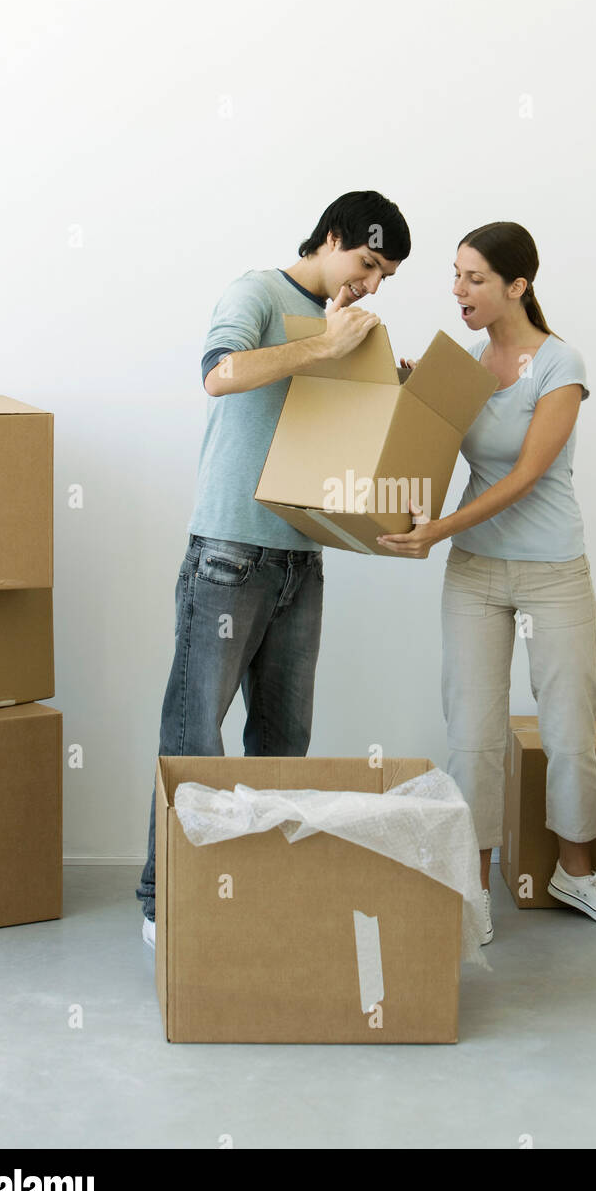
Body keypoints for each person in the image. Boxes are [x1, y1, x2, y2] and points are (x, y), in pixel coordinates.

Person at [136, 190, 411, 945]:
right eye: (367, 263)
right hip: (228, 549)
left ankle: (249, 889)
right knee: (195, 734)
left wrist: (390, 383)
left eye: (385, 274)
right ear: (331, 238)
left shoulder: (347, 327)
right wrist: (324, 346)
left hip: (301, 553)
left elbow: (333, 428)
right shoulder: (256, 291)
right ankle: (166, 901)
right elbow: (219, 373)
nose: (372, 284)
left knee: (283, 744)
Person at [380, 221, 596, 945]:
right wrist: (408, 395)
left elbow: (526, 475)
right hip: (474, 572)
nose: (457, 290)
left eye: (474, 279)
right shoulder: (460, 368)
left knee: (566, 726)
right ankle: (474, 885)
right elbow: (424, 447)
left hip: (553, 570)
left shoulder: (561, 364)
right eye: (454, 275)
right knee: (472, 733)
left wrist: (439, 527)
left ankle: (575, 871)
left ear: (516, 286)